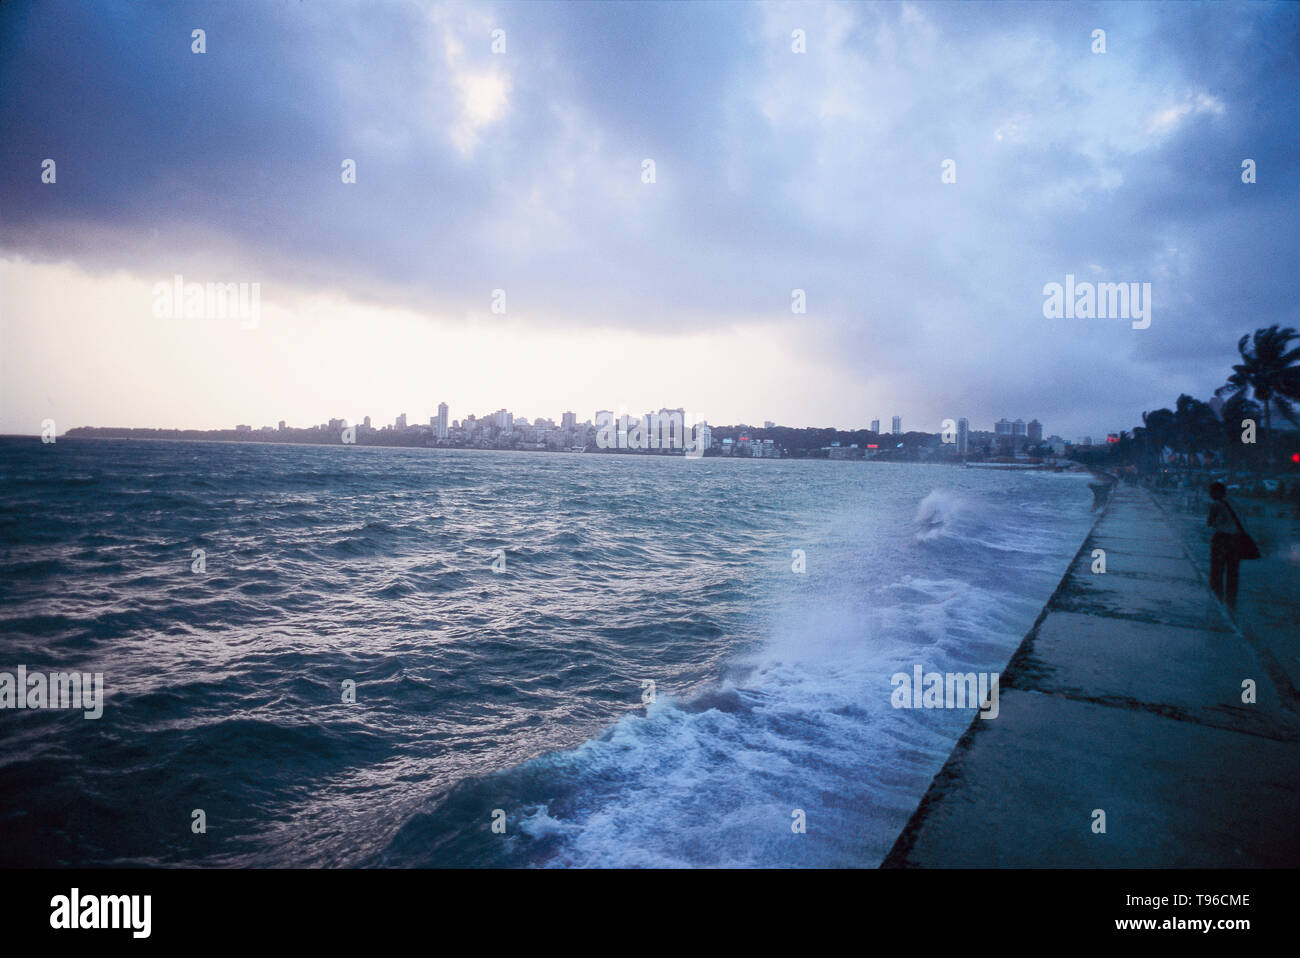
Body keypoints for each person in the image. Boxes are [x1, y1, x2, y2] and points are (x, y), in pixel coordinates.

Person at [1206, 482, 1243, 613]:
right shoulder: (1235, 502)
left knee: (1217, 571)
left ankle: (1216, 602)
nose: (1209, 495)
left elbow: (1209, 523)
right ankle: (1231, 602)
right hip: (1237, 541)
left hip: (1221, 539)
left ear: (1217, 492)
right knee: (1233, 573)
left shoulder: (1216, 504)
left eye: (1211, 492)